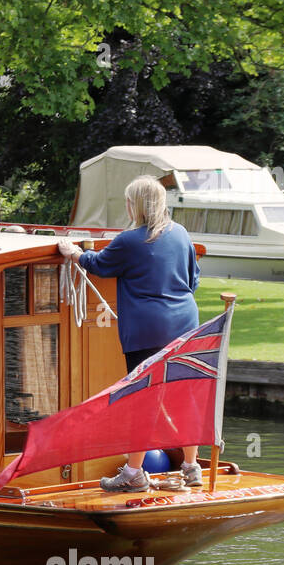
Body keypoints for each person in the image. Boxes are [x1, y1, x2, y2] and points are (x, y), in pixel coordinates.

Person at [57, 175, 203, 490]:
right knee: (184, 396)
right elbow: (193, 279)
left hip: (148, 331)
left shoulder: (130, 240)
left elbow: (97, 263)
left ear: (134, 205)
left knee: (142, 401)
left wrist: (71, 251)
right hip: (187, 325)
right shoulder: (181, 235)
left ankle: (133, 474)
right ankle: (192, 467)